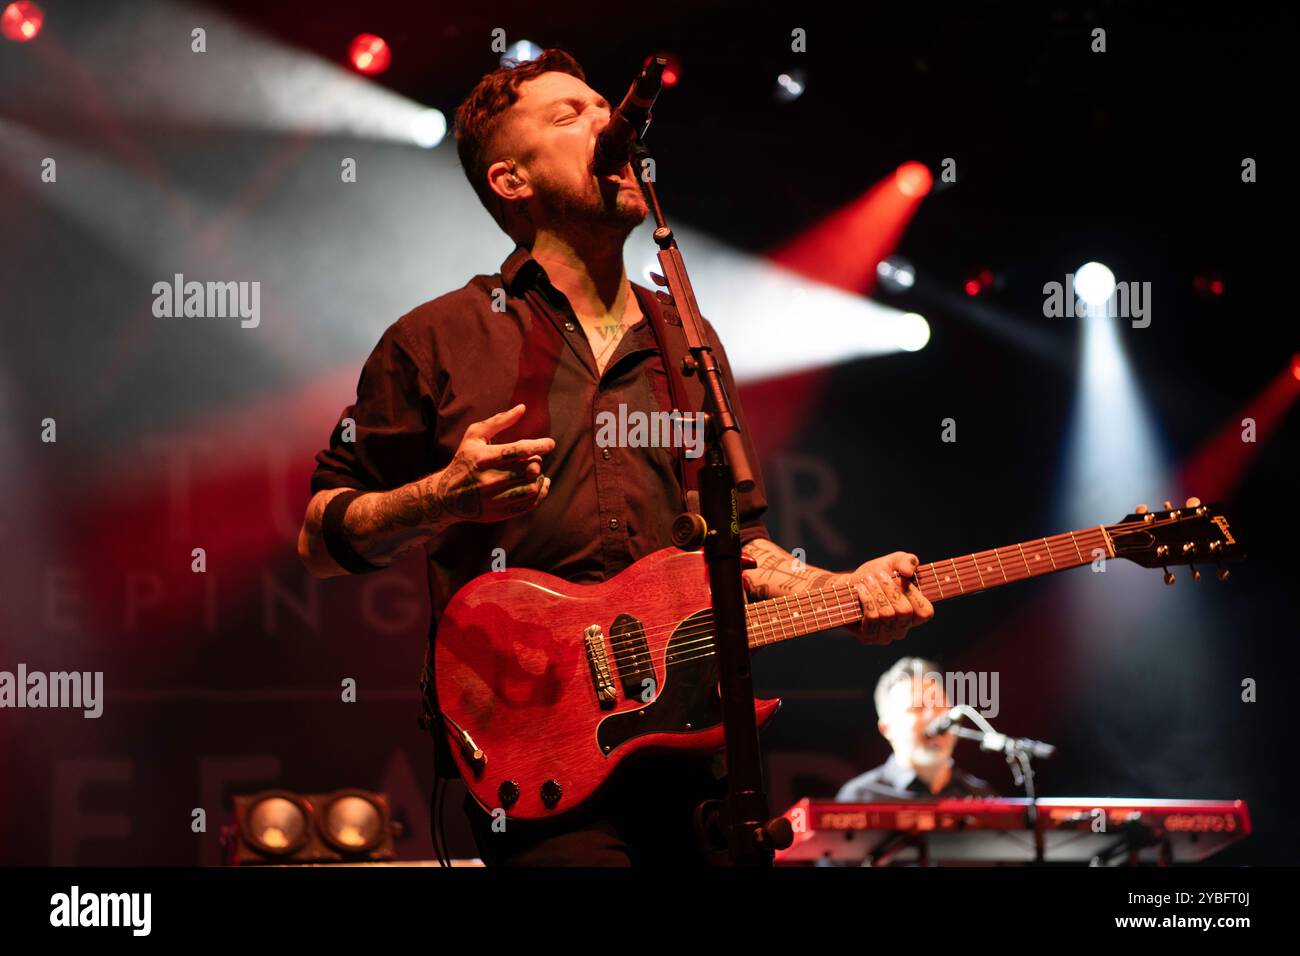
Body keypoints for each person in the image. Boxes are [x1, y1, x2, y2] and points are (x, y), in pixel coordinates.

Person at [297, 49, 935, 866]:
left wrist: (842, 593)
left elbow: (743, 550)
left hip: (702, 759)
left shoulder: (690, 343)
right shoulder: (437, 340)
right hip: (540, 760)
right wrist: (440, 499)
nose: (607, 121)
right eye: (569, 114)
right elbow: (321, 536)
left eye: (605, 107)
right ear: (510, 181)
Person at [837, 657, 997, 802]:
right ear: (887, 728)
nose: (934, 717)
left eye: (939, 705)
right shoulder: (860, 798)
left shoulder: (982, 796)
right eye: (917, 708)